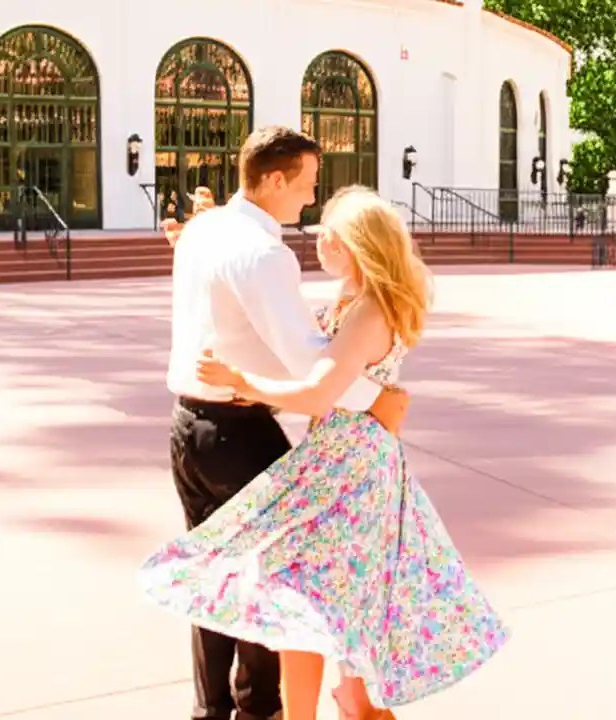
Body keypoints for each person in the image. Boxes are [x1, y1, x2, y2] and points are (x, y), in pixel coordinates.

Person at [140, 186, 508, 720]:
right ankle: (344, 705)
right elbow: (290, 345)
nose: (316, 240)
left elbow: (318, 391)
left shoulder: (369, 311)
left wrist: (247, 383)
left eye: (327, 234)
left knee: (304, 600)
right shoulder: (351, 301)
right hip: (340, 456)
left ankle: (330, 710)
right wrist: (200, 245)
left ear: (354, 244)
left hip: (351, 464)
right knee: (319, 601)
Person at [158, 127, 408, 720]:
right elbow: (310, 363)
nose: (310, 199)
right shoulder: (264, 253)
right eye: (305, 184)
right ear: (273, 179)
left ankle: (212, 708)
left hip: (187, 428)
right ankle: (260, 708)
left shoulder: (205, 228)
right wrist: (383, 398)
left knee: (213, 574)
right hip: (240, 429)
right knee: (277, 582)